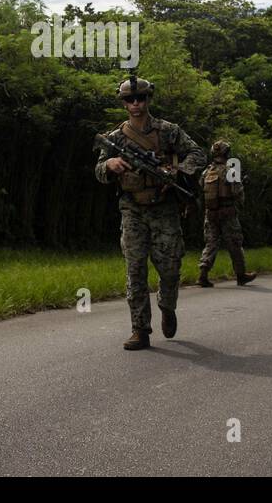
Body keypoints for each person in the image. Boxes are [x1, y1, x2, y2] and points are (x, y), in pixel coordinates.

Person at [95, 76, 206, 350]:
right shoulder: (115, 138)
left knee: (170, 269)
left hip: (164, 208)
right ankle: (140, 329)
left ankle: (167, 306)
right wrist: (109, 164)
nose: (135, 104)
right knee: (135, 270)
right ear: (123, 103)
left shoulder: (168, 131)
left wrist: (176, 171)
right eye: (129, 99)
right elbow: (98, 172)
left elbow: (197, 154)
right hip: (132, 208)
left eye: (140, 98)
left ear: (148, 99)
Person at [196, 140, 256, 287]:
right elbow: (238, 193)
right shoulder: (231, 171)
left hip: (210, 213)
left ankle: (203, 274)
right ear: (226, 154)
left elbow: (200, 188)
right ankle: (241, 275)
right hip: (228, 213)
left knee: (211, 244)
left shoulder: (206, 171)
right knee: (235, 243)